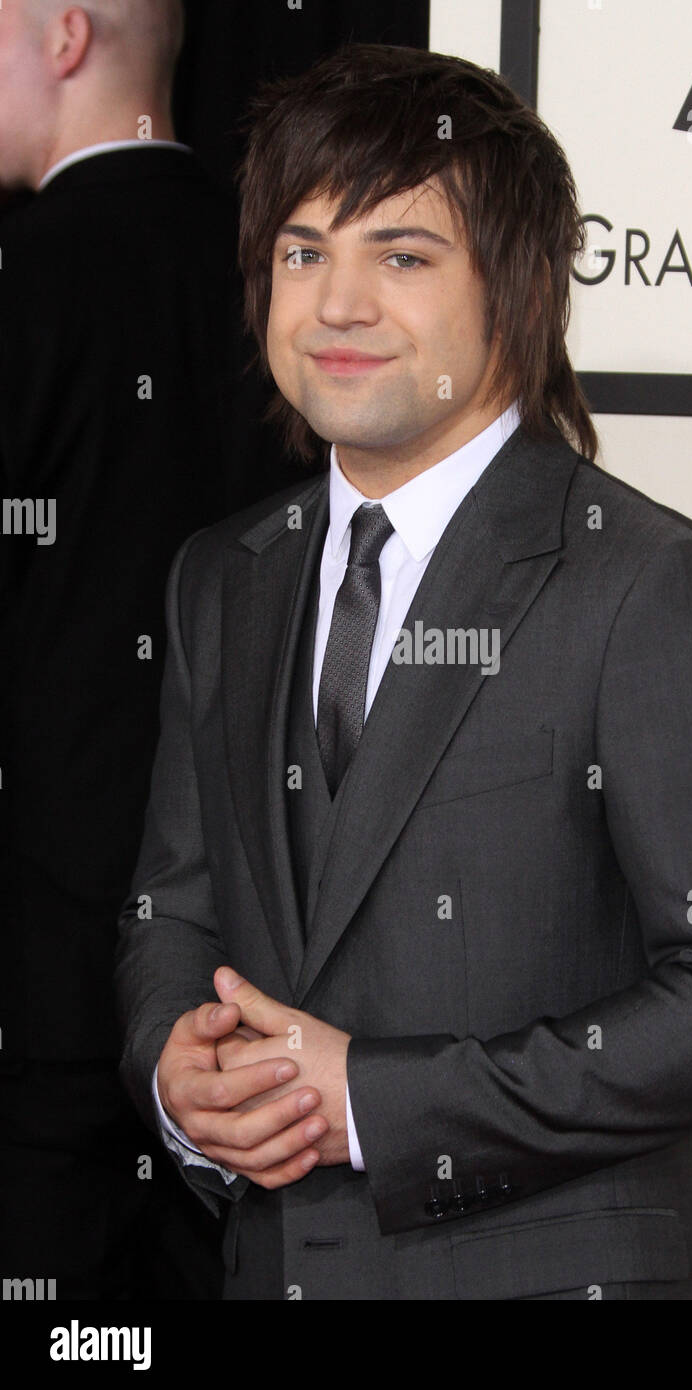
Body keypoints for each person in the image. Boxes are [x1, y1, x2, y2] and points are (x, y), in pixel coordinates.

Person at [115, 43, 692, 1300]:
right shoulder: (223, 575)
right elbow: (173, 911)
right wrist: (176, 1073)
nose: (336, 304)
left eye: (400, 256)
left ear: (515, 287)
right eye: (302, 252)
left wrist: (377, 1104)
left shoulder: (655, 587)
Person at [0, 0, 295, 1299]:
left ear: (65, 34)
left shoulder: (28, 283)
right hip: (260, 981)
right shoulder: (287, 290)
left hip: (40, 983)